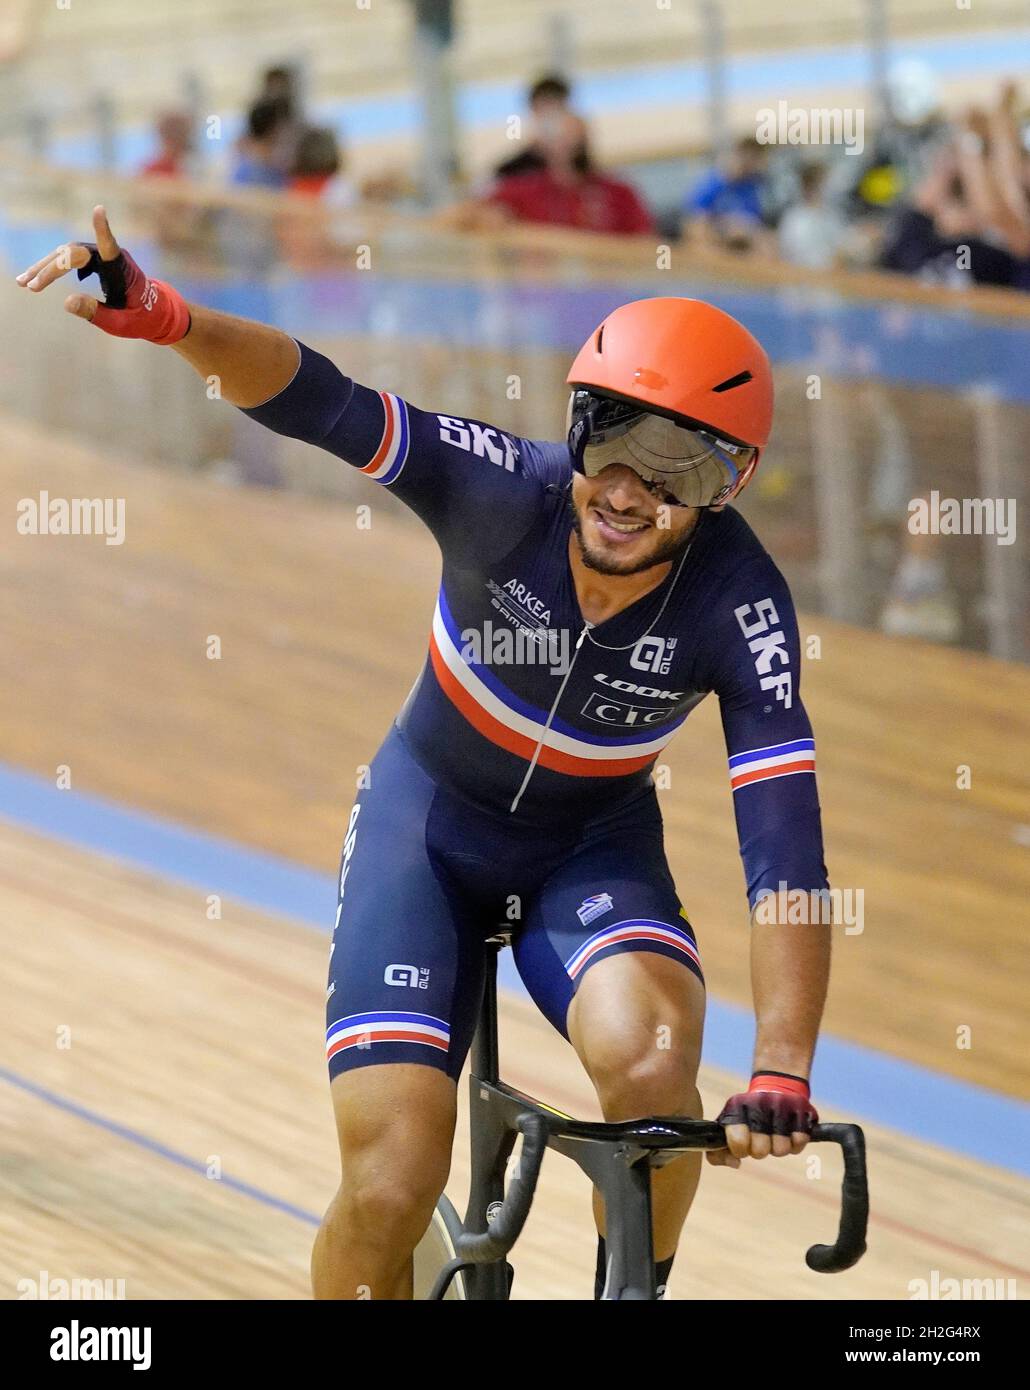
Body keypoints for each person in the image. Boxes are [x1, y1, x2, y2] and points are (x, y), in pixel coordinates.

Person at [17, 210, 832, 1301]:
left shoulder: (742, 605)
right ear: (573, 426)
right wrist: (173, 320)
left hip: (589, 849)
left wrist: (780, 1063)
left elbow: (784, 852)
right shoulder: (503, 490)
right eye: (609, 439)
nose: (628, 488)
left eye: (675, 462)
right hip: (428, 829)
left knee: (650, 1070)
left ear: (728, 483)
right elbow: (325, 399)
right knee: (393, 1185)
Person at [479, 109, 654, 236]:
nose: (569, 147)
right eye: (561, 139)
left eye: (576, 140)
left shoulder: (618, 192)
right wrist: (489, 219)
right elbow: (463, 214)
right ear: (542, 147)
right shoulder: (523, 190)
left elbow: (646, 243)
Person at [682, 135, 773, 254]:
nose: (748, 165)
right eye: (745, 158)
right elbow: (694, 221)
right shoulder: (712, 183)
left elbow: (754, 222)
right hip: (717, 235)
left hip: (745, 239)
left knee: (767, 243)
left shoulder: (752, 186)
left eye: (754, 161)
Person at [494, 72, 574, 180]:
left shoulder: (580, 167)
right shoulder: (512, 171)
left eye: (557, 108)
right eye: (544, 107)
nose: (550, 116)